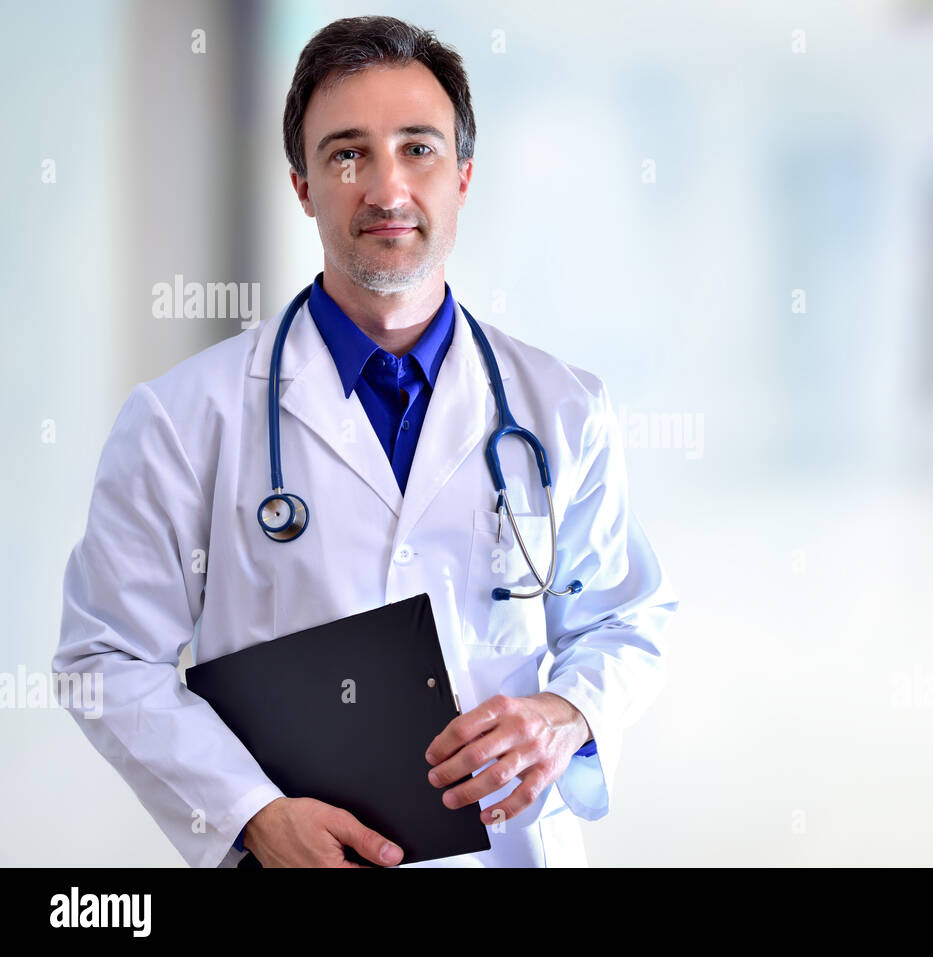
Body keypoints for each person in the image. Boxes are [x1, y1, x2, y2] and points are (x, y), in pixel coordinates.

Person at [52, 15, 677, 868]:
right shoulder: (182, 418)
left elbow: (626, 617)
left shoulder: (562, 408)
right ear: (303, 185)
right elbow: (105, 657)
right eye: (347, 153)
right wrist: (252, 815)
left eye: (417, 148)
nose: (387, 189)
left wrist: (565, 715)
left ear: (463, 174)